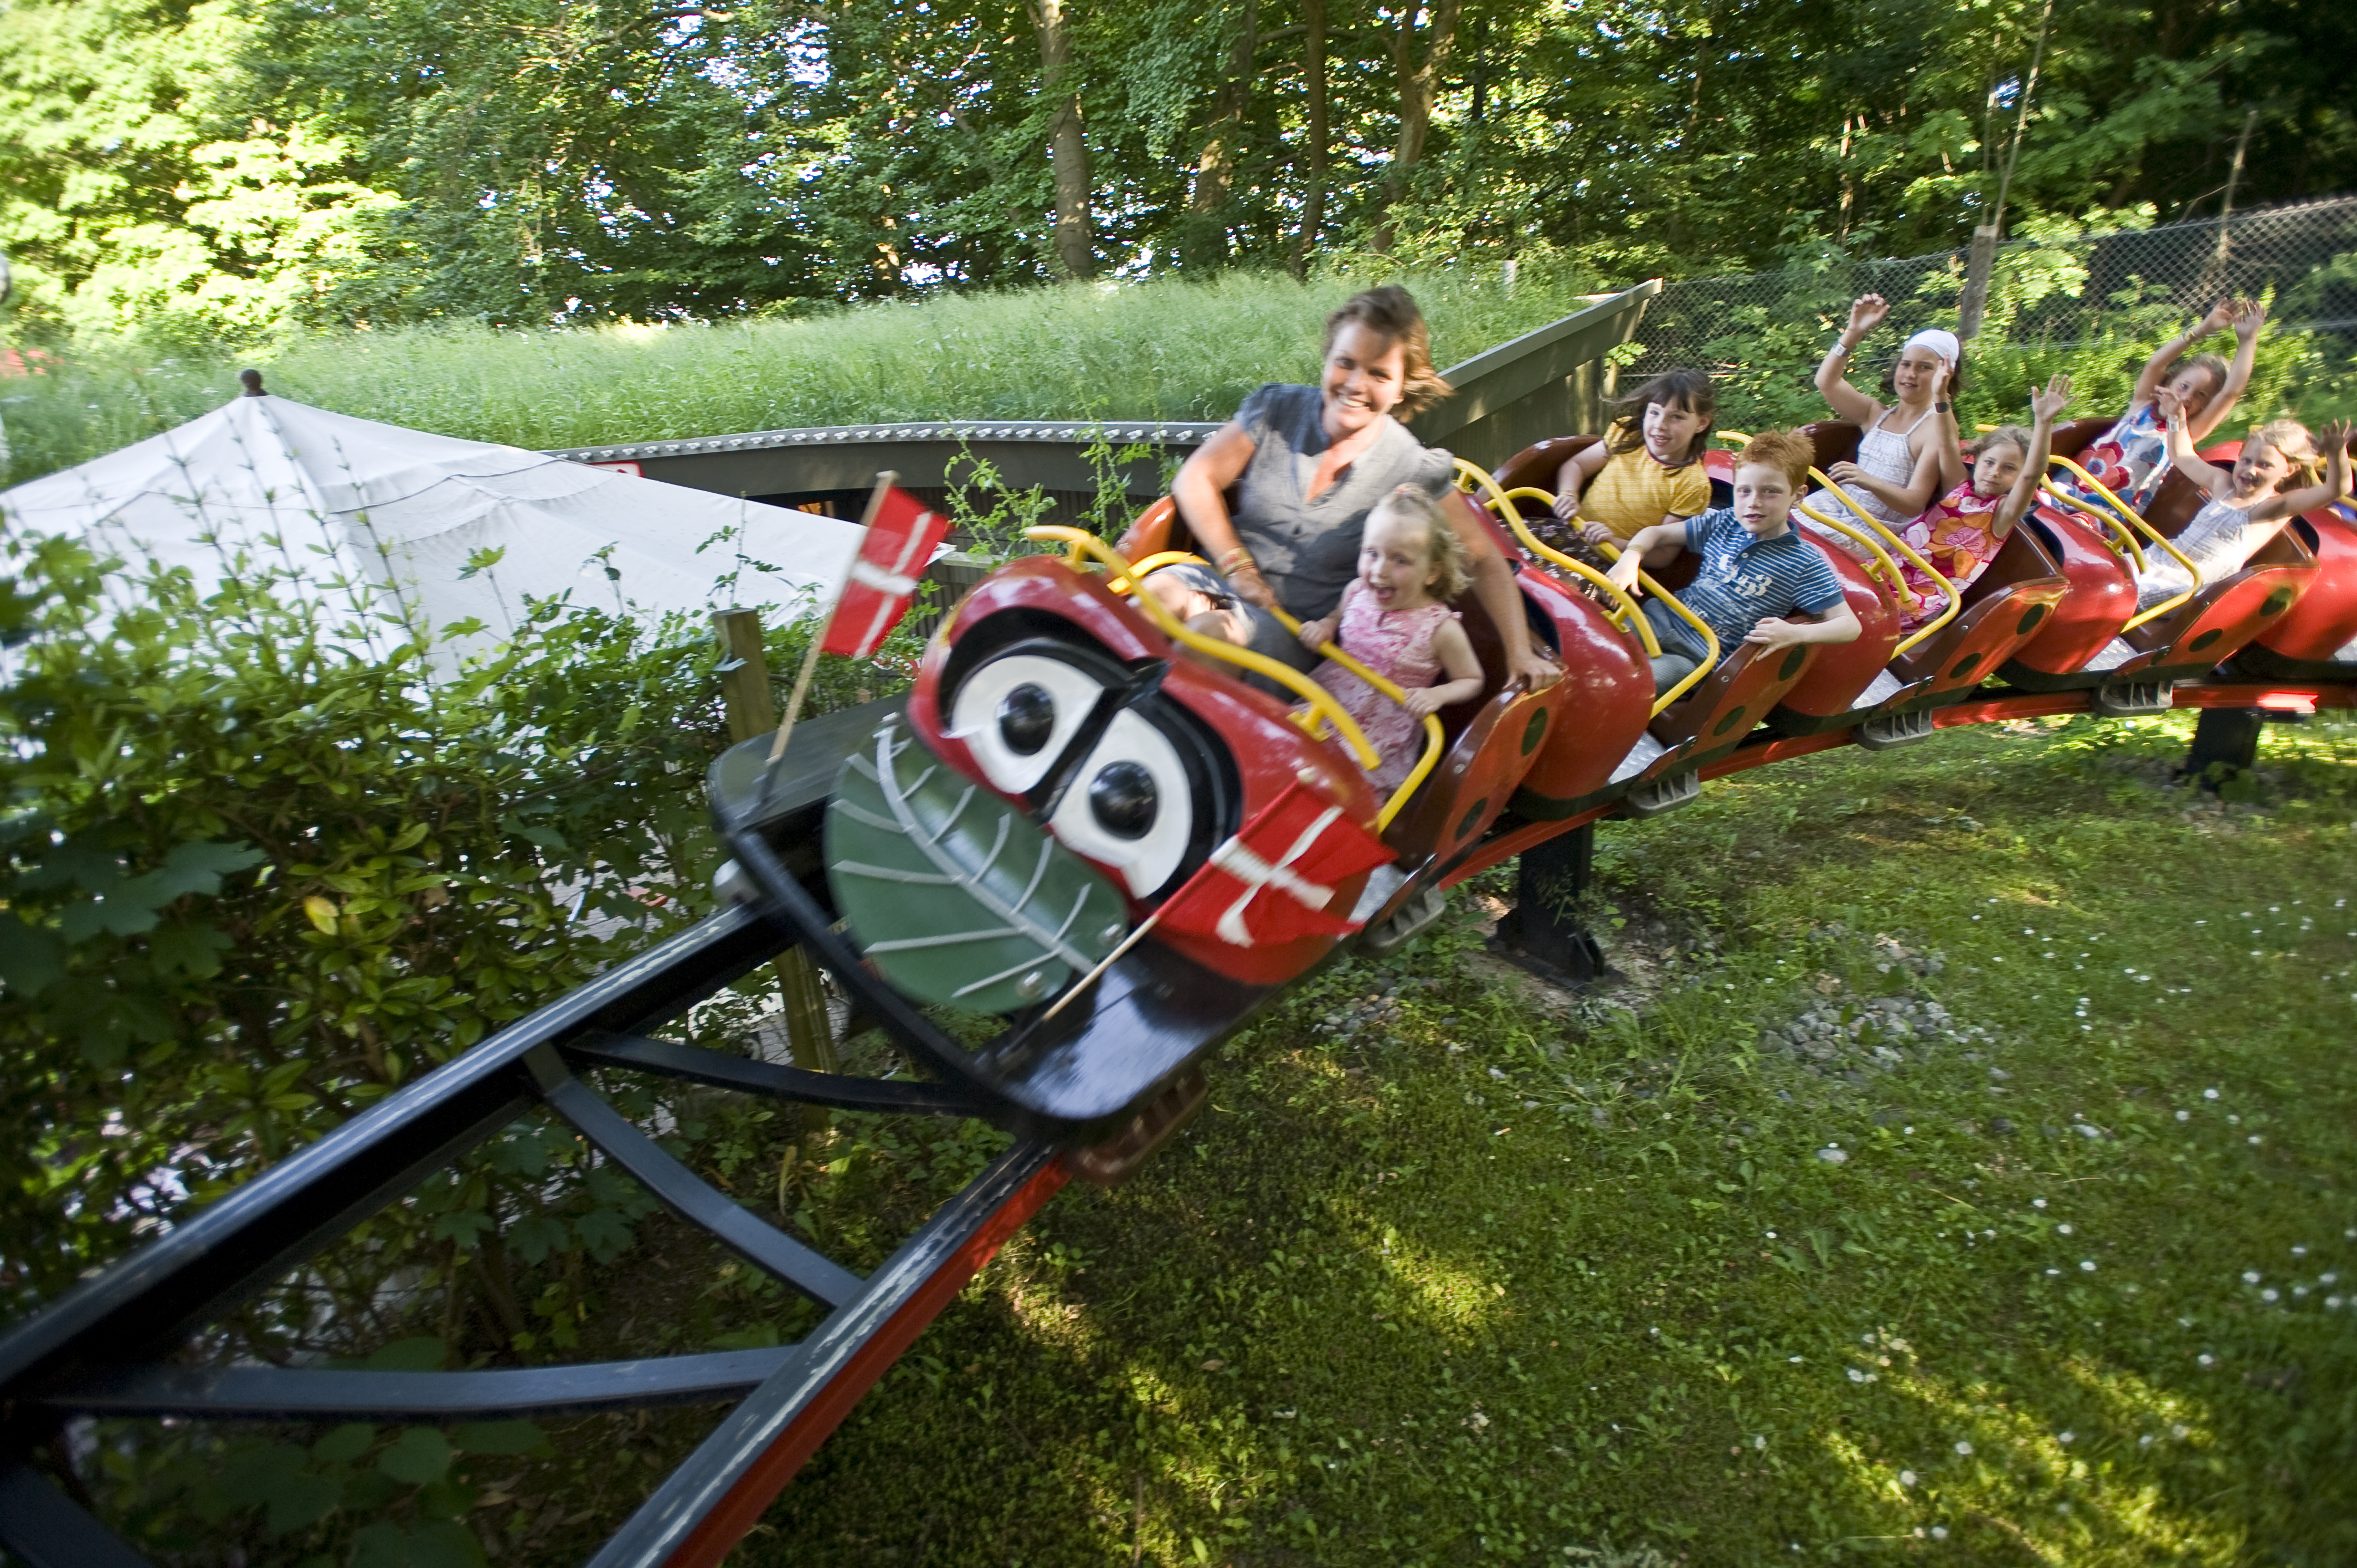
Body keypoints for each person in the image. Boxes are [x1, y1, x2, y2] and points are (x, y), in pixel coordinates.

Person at [1144, 285, 1559, 692]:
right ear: (1327, 360)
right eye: (1346, 363)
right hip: (1215, 575)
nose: (1356, 385)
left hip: (1292, 626)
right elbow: (1195, 478)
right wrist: (1240, 568)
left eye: (1379, 374)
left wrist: (1519, 651)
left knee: (1210, 633)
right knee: (1150, 598)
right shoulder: (1277, 409)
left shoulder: (1411, 466)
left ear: (1401, 388)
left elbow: (1484, 560)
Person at [1606, 429, 1861, 694]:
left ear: (1797, 496)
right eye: (1744, 491)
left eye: (1770, 492)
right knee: (1600, 654)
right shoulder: (1725, 521)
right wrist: (1631, 556)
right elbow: (1656, 533)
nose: (1754, 503)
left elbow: (1849, 626)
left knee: (1631, 684)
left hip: (1699, 656)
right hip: (1658, 619)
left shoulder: (1804, 561)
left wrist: (1794, 634)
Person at [1294, 486, 1485, 792]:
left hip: (1378, 731)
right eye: (1372, 554)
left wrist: (1438, 696)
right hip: (1329, 702)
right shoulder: (1356, 591)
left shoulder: (1440, 627)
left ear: (1432, 572)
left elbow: (1472, 679)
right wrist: (1326, 627)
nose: (1380, 570)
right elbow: (1337, 617)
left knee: (1337, 785)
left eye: (1400, 561)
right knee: (1289, 750)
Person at [2130, 398, 2350, 611]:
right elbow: (2182, 454)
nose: (2250, 470)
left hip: (2186, 587)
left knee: (2120, 590)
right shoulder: (2223, 485)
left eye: (2264, 465)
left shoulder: (2273, 507)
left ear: (2289, 470)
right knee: (2106, 567)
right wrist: (2177, 416)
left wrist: (2336, 453)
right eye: (2246, 460)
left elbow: (2336, 489)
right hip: (2159, 561)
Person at [1893, 374, 2073, 633]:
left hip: (1925, 595)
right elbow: (1946, 440)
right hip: (1896, 566)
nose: (1995, 472)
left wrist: (2044, 422)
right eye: (1989, 462)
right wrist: (1940, 397)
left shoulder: (2002, 513)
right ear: (1976, 459)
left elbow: (2034, 473)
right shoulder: (1958, 484)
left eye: (2009, 468)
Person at [2072, 298, 2266, 513]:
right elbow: (2157, 363)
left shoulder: (2184, 432)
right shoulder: (2143, 403)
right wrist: (2203, 329)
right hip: (2070, 486)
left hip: (2105, 512)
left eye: (2200, 395)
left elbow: (2231, 393)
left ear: (2205, 406)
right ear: (2167, 383)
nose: (2186, 397)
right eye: (2183, 386)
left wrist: (2248, 340)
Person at [1806, 295, 1966, 528]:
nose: (1910, 374)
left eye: (1924, 368)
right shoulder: (1875, 413)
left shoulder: (1935, 426)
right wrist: (1853, 333)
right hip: (1835, 506)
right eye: (1906, 364)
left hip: (1872, 527)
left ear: (1945, 375)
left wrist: (1867, 480)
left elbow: (1914, 503)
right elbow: (1826, 382)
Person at [1538, 368, 1717, 564]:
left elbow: (1663, 557)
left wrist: (1614, 542)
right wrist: (1568, 494)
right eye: (1655, 412)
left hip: (1608, 560)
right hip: (1566, 531)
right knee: (1506, 546)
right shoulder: (1628, 435)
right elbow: (1576, 465)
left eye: (1677, 417)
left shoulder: (1692, 484)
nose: (1660, 425)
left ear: (1702, 422)